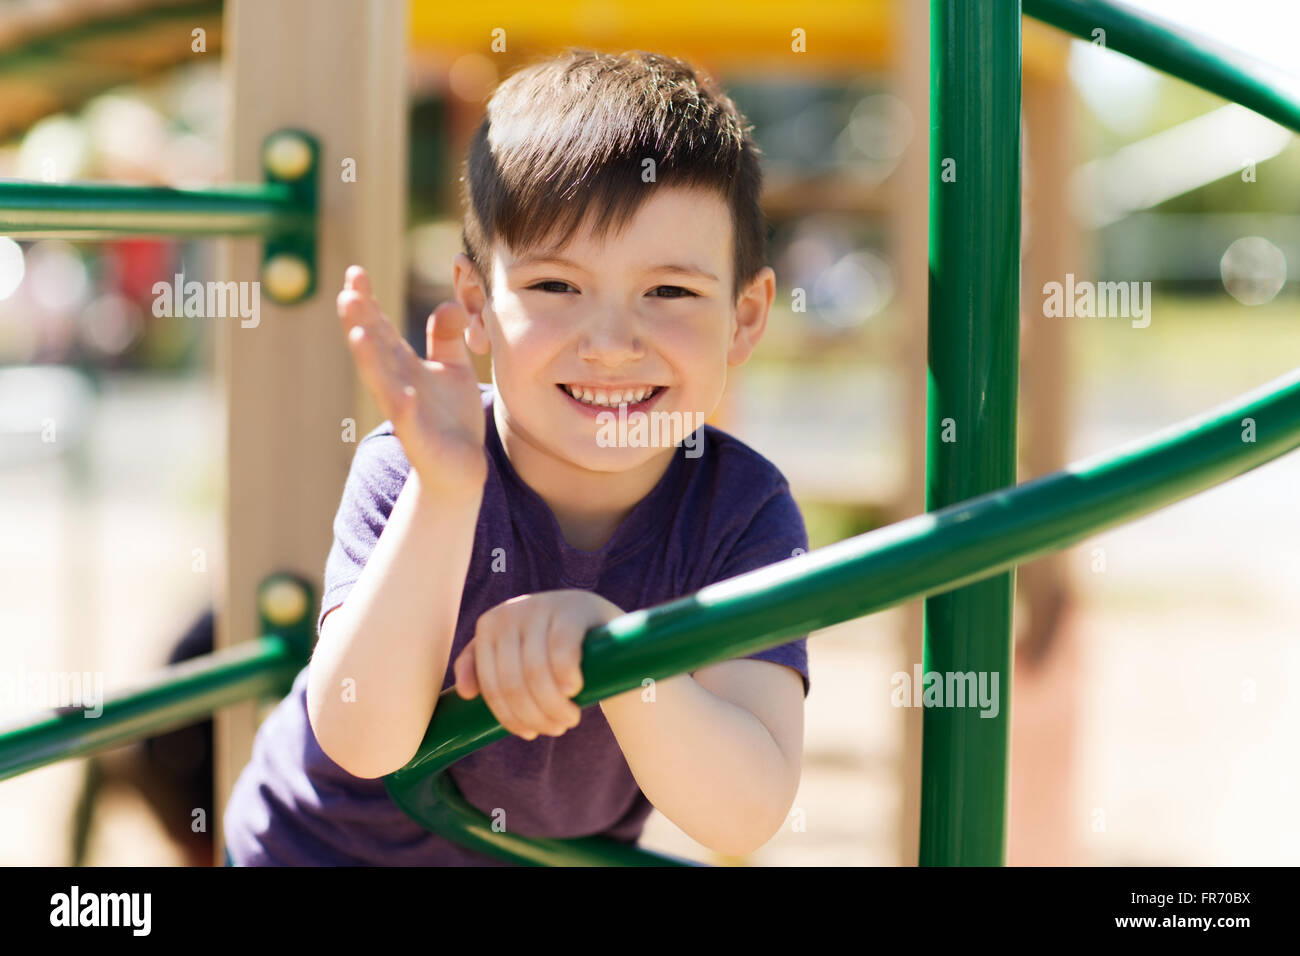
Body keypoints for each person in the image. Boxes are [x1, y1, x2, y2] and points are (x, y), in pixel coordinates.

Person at [223, 47, 811, 866]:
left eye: (669, 292)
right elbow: (363, 737)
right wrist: (448, 494)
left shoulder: (742, 511)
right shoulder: (418, 465)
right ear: (476, 305)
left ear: (745, 317)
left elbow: (746, 811)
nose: (610, 345)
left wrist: (615, 652)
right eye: (556, 288)